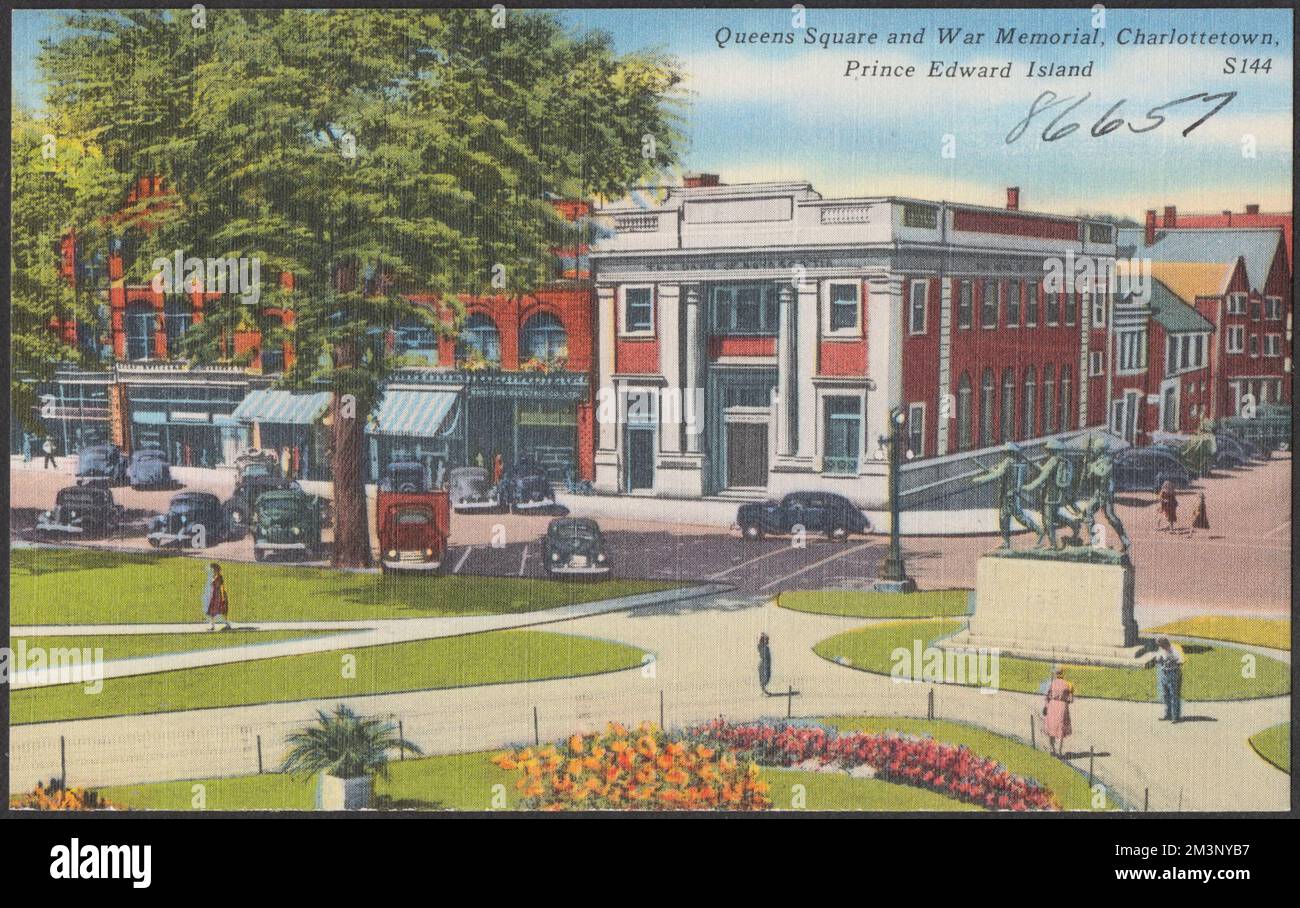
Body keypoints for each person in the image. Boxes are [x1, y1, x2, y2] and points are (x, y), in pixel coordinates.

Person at [970, 442, 1041, 549]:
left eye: (1006, 452)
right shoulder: (1015, 462)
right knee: (1004, 518)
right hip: (1009, 494)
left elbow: (998, 474)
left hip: (1009, 495)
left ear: (1010, 452)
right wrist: (994, 470)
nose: (1004, 453)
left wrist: (980, 479)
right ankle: (1006, 542)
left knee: (1018, 517)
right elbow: (1001, 472)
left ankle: (1039, 531)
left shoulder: (1008, 462)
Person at [1042, 667, 1074, 756]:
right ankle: (1059, 751)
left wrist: (1045, 706)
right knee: (1061, 728)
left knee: (1051, 727)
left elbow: (1047, 696)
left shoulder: (1052, 683)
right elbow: (1071, 700)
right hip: (1062, 707)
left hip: (1052, 706)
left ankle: (1052, 749)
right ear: (1063, 674)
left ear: (1056, 674)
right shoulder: (1068, 685)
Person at [1154, 637, 1184, 722]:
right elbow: (1157, 660)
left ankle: (1175, 716)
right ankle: (1167, 714)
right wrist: (1159, 660)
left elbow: (1181, 661)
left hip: (1173, 674)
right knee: (1165, 695)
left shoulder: (1175, 650)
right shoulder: (1161, 650)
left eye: (1162, 646)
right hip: (1164, 674)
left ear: (1166, 644)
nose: (1161, 648)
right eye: (1160, 646)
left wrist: (1172, 660)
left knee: (1174, 696)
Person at [202, 562, 231, 631]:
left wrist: (223, 597)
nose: (212, 570)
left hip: (218, 596)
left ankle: (224, 625)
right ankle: (213, 626)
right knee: (213, 610)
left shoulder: (219, 577)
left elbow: (221, 587)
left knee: (220, 610)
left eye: (213, 569)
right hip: (215, 595)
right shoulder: (215, 576)